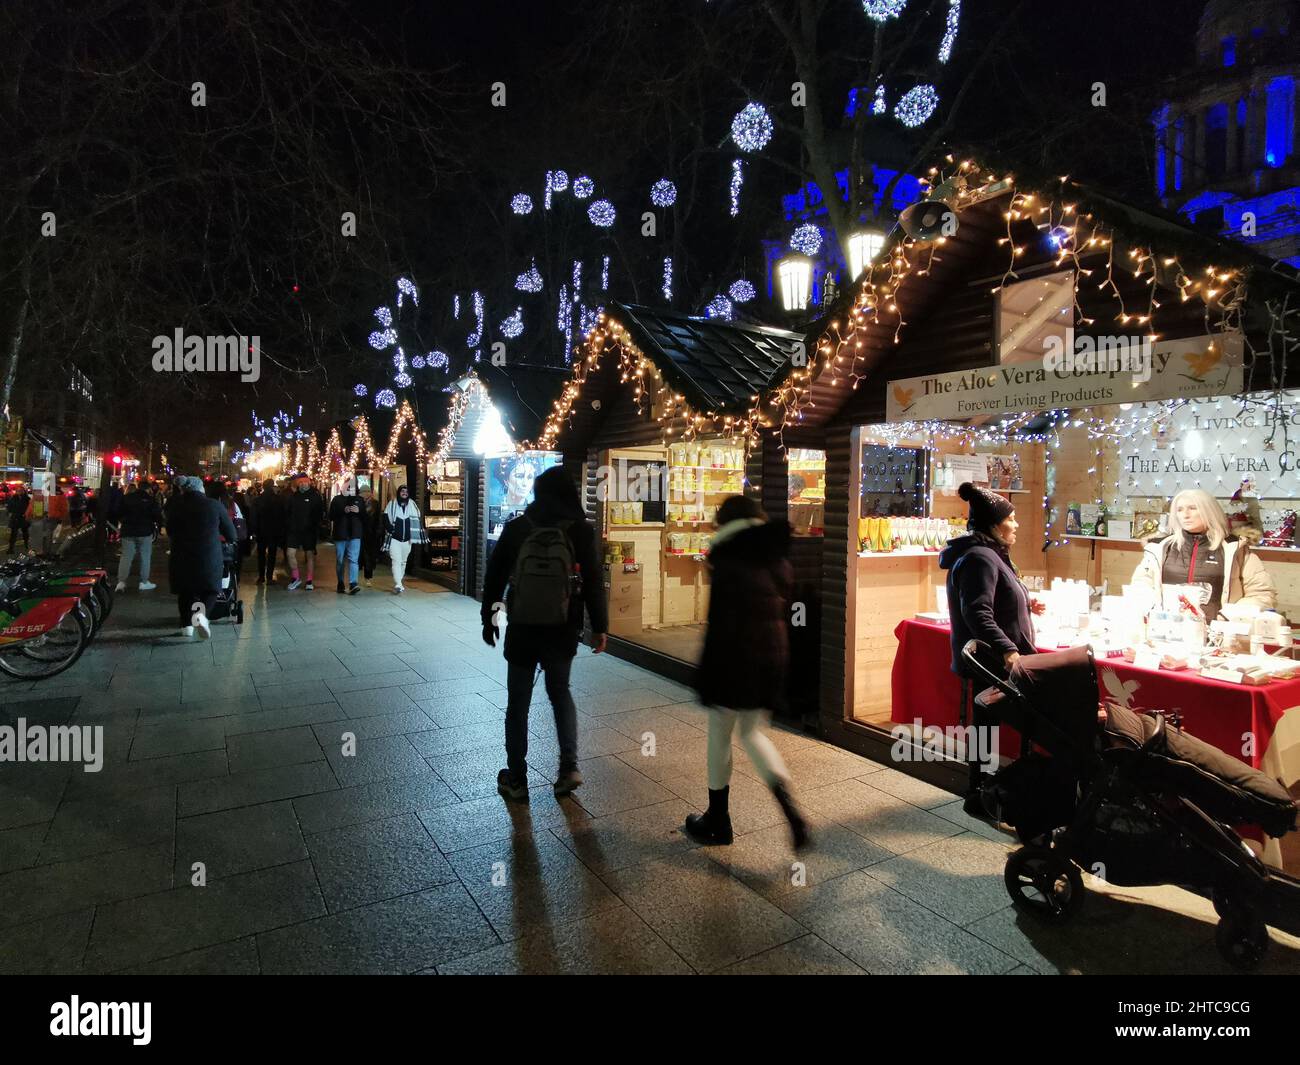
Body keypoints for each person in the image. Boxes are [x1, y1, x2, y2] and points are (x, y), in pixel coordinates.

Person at [684, 495, 810, 850]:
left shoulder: (727, 557)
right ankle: (792, 813)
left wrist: (706, 673)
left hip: (734, 656)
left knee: (719, 733)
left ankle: (717, 820)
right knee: (753, 732)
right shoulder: (776, 554)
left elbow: (721, 622)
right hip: (773, 653)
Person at [481, 466, 608, 800]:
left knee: (518, 703)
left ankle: (517, 779)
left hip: (522, 628)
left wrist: (489, 617)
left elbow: (495, 575)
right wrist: (601, 627)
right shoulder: (580, 530)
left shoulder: (519, 527)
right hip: (562, 628)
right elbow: (594, 581)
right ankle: (569, 768)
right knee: (560, 695)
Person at [939, 482, 1043, 813]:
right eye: (1011, 518)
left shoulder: (986, 554)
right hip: (989, 660)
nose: (1016, 524)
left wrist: (1026, 604)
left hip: (990, 657)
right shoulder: (980, 558)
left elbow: (992, 602)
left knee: (986, 723)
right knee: (986, 724)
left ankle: (984, 790)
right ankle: (982, 792)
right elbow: (977, 612)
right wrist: (1008, 650)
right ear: (995, 524)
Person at [1130, 488, 1276, 621]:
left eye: (1192, 508)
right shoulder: (1160, 548)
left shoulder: (1235, 549)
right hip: (1166, 634)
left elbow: (1261, 594)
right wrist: (1150, 610)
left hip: (1219, 638)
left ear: (1209, 511)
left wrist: (1228, 617)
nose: (1185, 515)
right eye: (1179, 510)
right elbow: (1140, 584)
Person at [166, 476, 236, 638]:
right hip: (208, 555)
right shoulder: (214, 505)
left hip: (181, 555)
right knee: (211, 589)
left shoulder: (176, 506)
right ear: (200, 489)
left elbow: (170, 530)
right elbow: (231, 533)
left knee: (186, 591)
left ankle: (186, 627)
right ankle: (201, 615)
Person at [113, 480, 163, 592]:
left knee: (126, 556)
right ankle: (144, 582)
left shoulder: (127, 498)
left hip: (128, 530)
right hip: (144, 531)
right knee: (145, 556)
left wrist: (124, 520)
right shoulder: (150, 500)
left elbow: (118, 511)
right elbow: (157, 515)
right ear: (148, 489)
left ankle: (121, 582)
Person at [382, 484, 426, 594]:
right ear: (399, 493)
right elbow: (385, 517)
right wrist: (390, 529)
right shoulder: (392, 504)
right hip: (394, 539)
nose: (404, 493)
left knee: (403, 561)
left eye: (406, 492)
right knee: (396, 560)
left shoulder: (412, 505)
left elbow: (418, 518)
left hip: (407, 540)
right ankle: (397, 584)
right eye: (402, 492)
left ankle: (399, 582)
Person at [284, 473, 324, 591]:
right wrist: (289, 524)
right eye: (300, 482)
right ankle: (296, 577)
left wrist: (315, 526)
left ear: (309, 482)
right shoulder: (293, 496)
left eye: (304, 482)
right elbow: (287, 512)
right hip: (294, 530)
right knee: (290, 553)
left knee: (309, 555)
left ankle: (309, 580)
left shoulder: (315, 496)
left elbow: (319, 513)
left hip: (309, 530)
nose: (302, 484)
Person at [329, 477, 365, 595]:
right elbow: (331, 516)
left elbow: (365, 517)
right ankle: (340, 582)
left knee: (353, 559)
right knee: (340, 560)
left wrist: (358, 511)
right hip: (341, 534)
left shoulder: (359, 500)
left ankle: (353, 583)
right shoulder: (337, 499)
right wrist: (342, 510)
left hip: (355, 534)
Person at [251, 478, 287, 585]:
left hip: (261, 531)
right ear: (272, 487)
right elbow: (282, 517)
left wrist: (253, 530)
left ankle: (261, 577)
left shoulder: (257, 500)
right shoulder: (278, 500)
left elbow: (253, 517)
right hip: (274, 531)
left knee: (261, 554)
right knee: (272, 554)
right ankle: (269, 576)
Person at [359, 486, 383, 586]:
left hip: (372, 534)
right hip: (360, 533)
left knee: (370, 556)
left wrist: (378, 532)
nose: (366, 493)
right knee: (360, 555)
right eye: (364, 492)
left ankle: (368, 577)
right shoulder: (358, 502)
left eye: (368, 491)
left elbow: (379, 519)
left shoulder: (375, 503)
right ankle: (356, 577)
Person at [6, 486, 31, 554]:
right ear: (16, 491)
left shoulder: (27, 499)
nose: (19, 492)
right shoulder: (13, 498)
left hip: (23, 517)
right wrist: (10, 512)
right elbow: (9, 507)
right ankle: (11, 548)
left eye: (20, 490)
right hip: (15, 517)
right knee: (13, 534)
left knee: (25, 532)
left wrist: (27, 515)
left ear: (23, 491)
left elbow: (29, 507)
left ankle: (26, 545)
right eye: (18, 490)